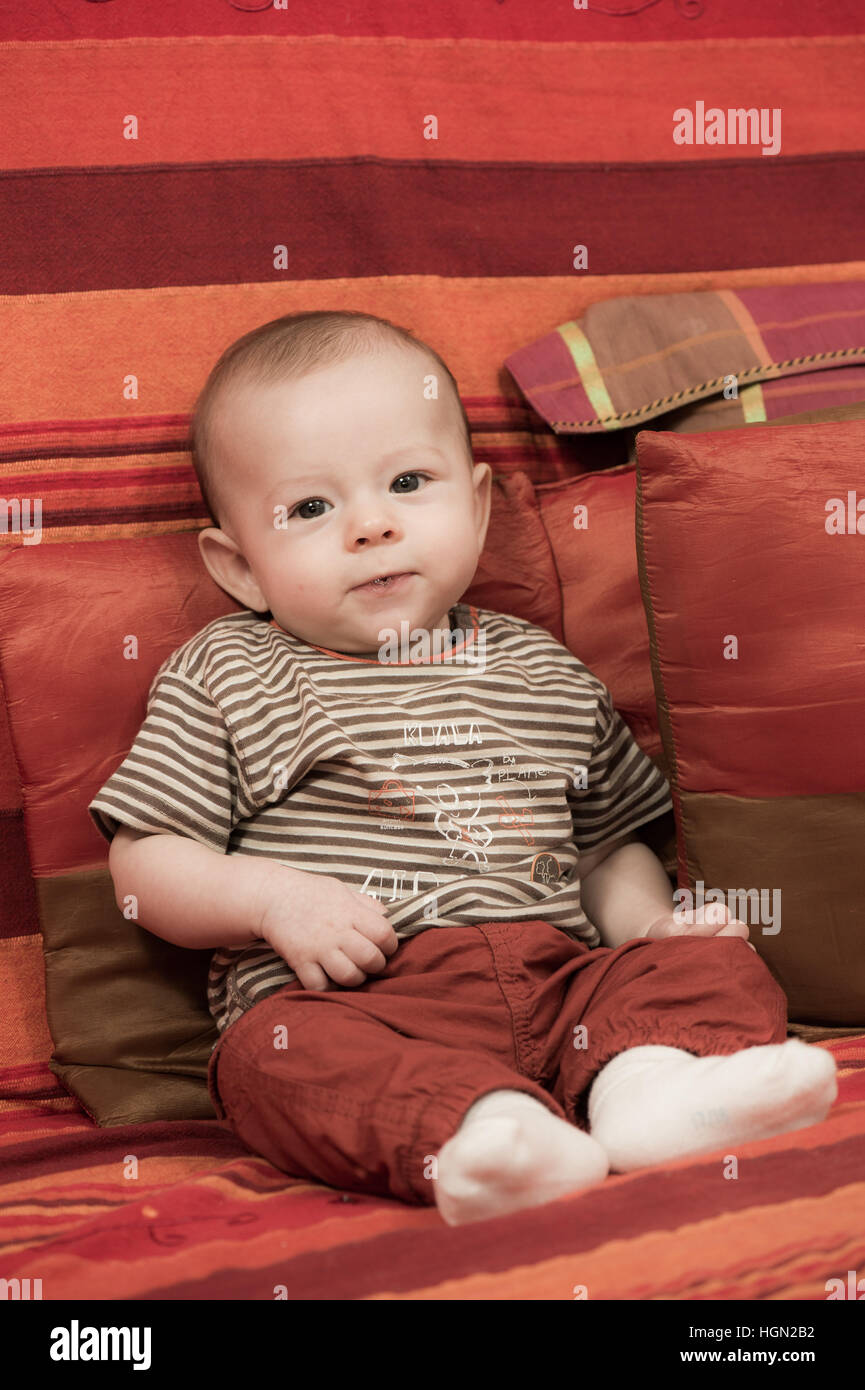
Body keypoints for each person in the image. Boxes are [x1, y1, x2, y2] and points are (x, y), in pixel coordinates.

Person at [89, 310, 836, 1226]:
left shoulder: (543, 670)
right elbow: (144, 861)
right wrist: (272, 900)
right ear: (240, 567)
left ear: (477, 506)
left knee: (713, 963)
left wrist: (648, 926)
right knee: (268, 1061)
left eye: (408, 482)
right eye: (311, 508)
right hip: (358, 1001)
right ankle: (483, 1135)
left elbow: (603, 849)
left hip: (564, 981)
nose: (370, 525)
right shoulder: (230, 673)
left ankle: (649, 1091)